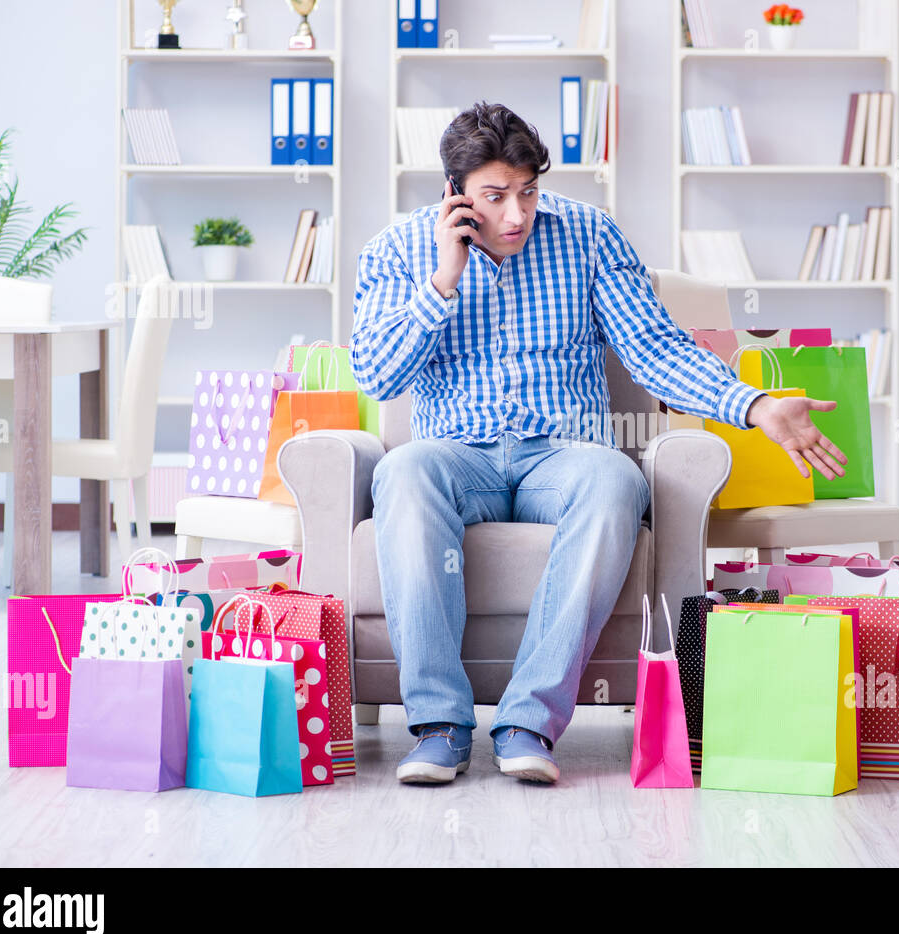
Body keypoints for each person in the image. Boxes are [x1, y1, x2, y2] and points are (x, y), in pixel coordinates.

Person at [350, 101, 846, 786]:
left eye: (527, 192)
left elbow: (654, 348)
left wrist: (754, 405)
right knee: (403, 473)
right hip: (454, 456)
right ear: (455, 195)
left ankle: (528, 721)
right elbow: (377, 373)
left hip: (564, 455)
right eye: (495, 197)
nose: (517, 214)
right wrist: (442, 280)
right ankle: (439, 726)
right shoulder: (394, 251)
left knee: (616, 479)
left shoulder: (588, 235)